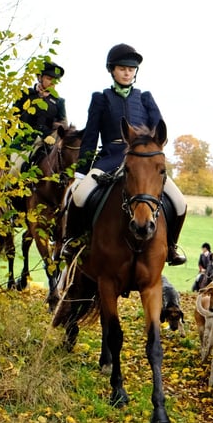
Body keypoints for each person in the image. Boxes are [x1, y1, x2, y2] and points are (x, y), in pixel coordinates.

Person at [62, 43, 186, 265]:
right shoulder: (100, 98)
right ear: (112, 70)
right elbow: (91, 137)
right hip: (109, 158)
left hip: (143, 164)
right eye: (122, 68)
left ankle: (172, 247)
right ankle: (72, 241)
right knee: (79, 196)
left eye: (131, 69)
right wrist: (81, 173)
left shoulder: (145, 98)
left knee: (179, 201)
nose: (127, 73)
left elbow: (159, 131)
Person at [9, 60, 67, 176]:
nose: (52, 83)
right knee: (14, 172)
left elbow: (64, 124)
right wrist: (6, 146)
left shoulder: (59, 102)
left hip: (46, 145)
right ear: (39, 77)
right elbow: (11, 121)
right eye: (49, 79)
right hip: (22, 144)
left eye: (55, 80)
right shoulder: (24, 94)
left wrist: (55, 130)